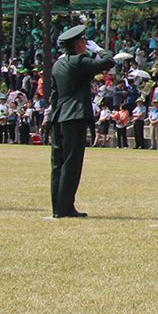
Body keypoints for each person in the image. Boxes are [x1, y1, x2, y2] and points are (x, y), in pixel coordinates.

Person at [50, 24, 114, 219]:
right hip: (74, 116)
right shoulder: (79, 61)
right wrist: (99, 50)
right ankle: (66, 207)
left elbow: (54, 94)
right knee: (72, 162)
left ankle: (57, 207)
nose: (85, 44)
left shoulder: (58, 64)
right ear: (77, 44)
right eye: (83, 41)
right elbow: (108, 61)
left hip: (59, 115)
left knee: (58, 163)